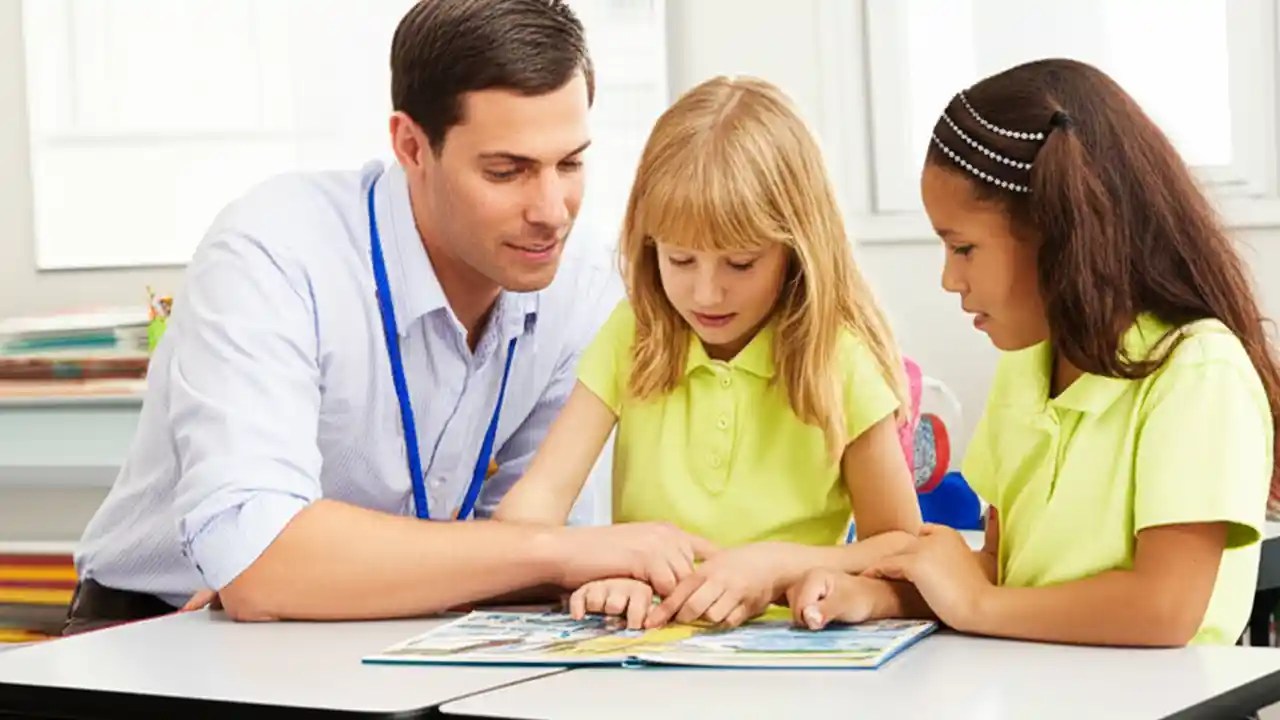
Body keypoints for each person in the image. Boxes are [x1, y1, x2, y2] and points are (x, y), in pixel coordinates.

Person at [66, 0, 714, 635]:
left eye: (570, 163)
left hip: (405, 627)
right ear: (410, 144)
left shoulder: (583, 289)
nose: (552, 210)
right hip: (164, 633)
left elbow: (525, 548)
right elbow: (261, 570)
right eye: (506, 171)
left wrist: (321, 573)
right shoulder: (275, 250)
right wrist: (280, 569)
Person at [787, 58, 1280, 647]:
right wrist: (876, 596)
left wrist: (976, 603)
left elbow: (1164, 608)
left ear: (1063, 231)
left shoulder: (1199, 372)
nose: (949, 279)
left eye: (964, 248)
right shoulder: (1028, 366)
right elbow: (1000, 568)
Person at [496, 76, 923, 631]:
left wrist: (779, 567)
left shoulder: (837, 359)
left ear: (797, 251)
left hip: (789, 658)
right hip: (651, 654)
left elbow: (903, 550)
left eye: (740, 264)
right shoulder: (634, 334)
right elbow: (527, 517)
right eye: (679, 260)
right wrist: (600, 567)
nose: (706, 293)